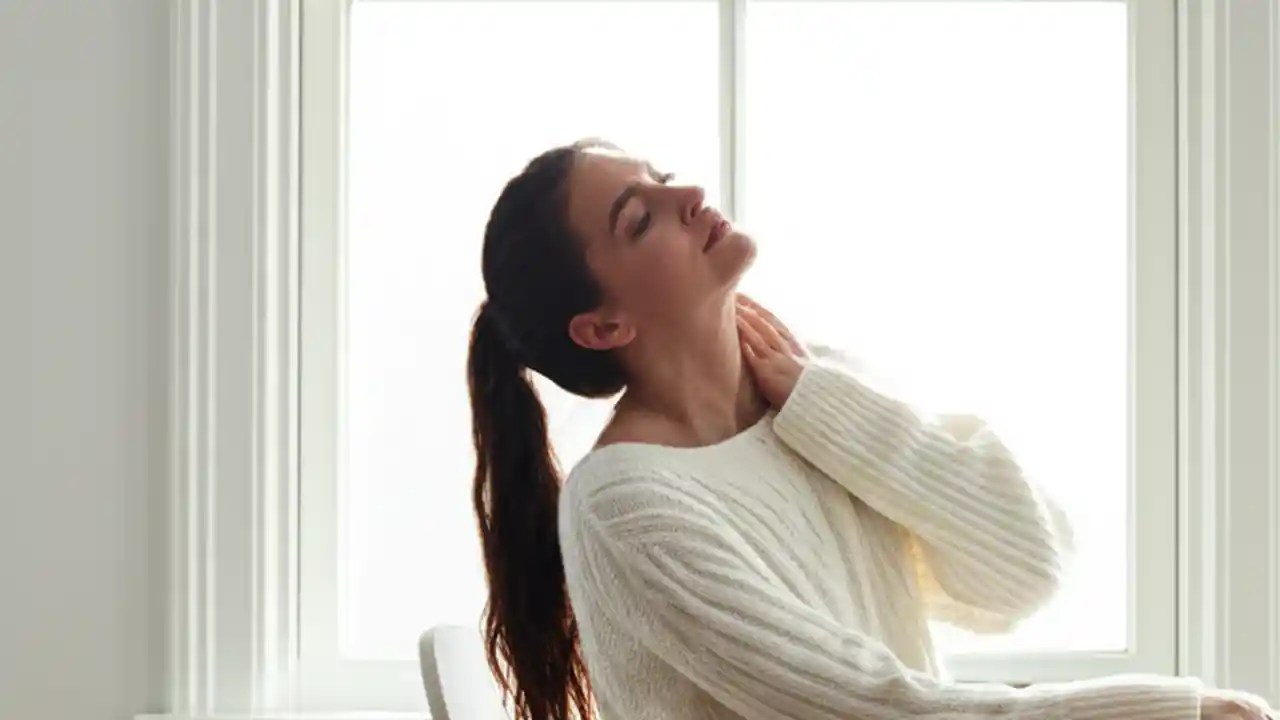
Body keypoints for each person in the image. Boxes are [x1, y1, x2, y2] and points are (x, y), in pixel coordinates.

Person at [465, 138, 1273, 720]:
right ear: (603, 327)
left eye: (665, 179)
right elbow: (868, 710)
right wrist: (1172, 711)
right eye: (641, 219)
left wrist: (828, 407)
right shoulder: (625, 501)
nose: (691, 196)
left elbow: (1026, 569)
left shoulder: (813, 397)